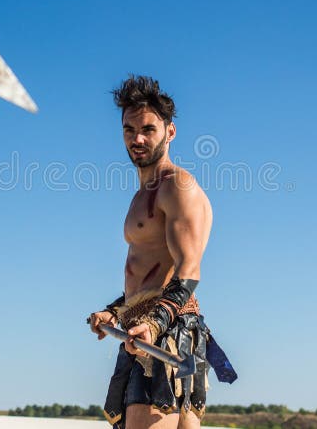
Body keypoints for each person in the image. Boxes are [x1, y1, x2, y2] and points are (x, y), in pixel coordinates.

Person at [88, 75, 233, 429]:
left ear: (170, 132)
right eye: (129, 129)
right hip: (146, 330)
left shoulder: (177, 187)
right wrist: (115, 311)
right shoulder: (143, 194)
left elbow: (188, 271)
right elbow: (153, 276)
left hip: (169, 333)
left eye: (148, 129)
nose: (137, 139)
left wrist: (154, 324)